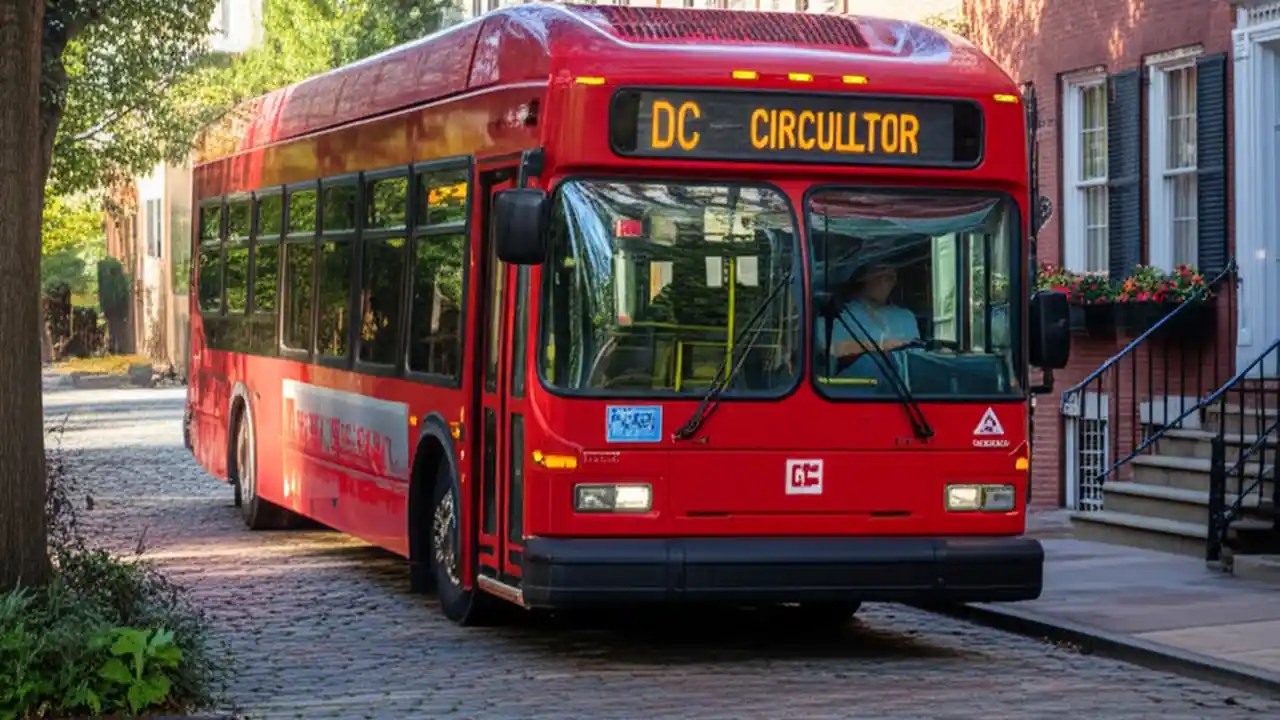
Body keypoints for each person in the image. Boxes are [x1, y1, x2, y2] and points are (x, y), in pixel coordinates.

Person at [816, 261, 921, 387]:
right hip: (853, 395)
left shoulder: (906, 317)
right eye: (881, 267)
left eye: (891, 269)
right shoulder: (837, 315)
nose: (888, 273)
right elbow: (830, 350)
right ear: (862, 274)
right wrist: (886, 346)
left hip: (906, 396)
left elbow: (917, 358)